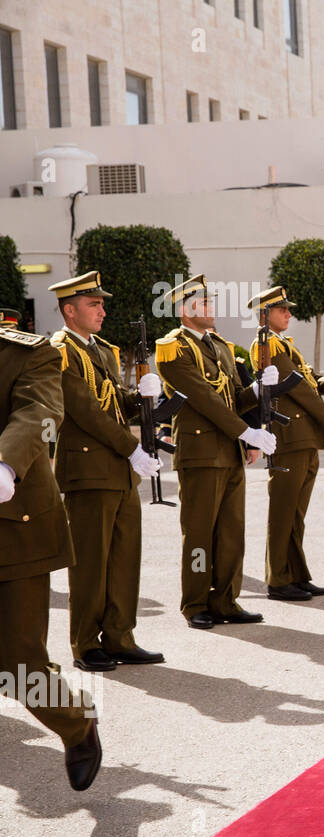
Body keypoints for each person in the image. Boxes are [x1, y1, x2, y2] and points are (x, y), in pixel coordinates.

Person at [47, 271, 166, 671]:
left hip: (118, 470)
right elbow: (85, 411)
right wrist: (133, 448)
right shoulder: (60, 350)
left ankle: (119, 636)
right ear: (69, 309)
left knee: (123, 558)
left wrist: (141, 396)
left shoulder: (103, 350)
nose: (102, 310)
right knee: (91, 562)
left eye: (101, 303)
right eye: (94, 304)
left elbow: (114, 403)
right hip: (88, 470)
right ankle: (85, 643)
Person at [0, 321, 102, 789]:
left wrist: (6, 464)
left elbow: (39, 412)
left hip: (13, 526)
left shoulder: (28, 353)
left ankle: (77, 723)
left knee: (19, 666)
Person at [154, 275, 278, 629]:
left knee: (230, 531)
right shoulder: (173, 348)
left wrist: (256, 389)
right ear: (184, 308)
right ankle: (195, 603)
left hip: (229, 451)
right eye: (204, 303)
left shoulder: (220, 346)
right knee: (198, 533)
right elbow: (204, 399)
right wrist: (248, 432)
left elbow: (234, 398)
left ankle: (226, 600)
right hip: (200, 452)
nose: (211, 309)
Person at [247, 286, 324, 601]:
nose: (289, 314)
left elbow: (306, 380)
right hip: (288, 436)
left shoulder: (284, 345)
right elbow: (300, 391)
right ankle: (278, 579)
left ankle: (295, 573)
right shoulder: (265, 345)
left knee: (296, 513)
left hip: (303, 437)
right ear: (265, 315)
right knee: (283, 512)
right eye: (283, 310)